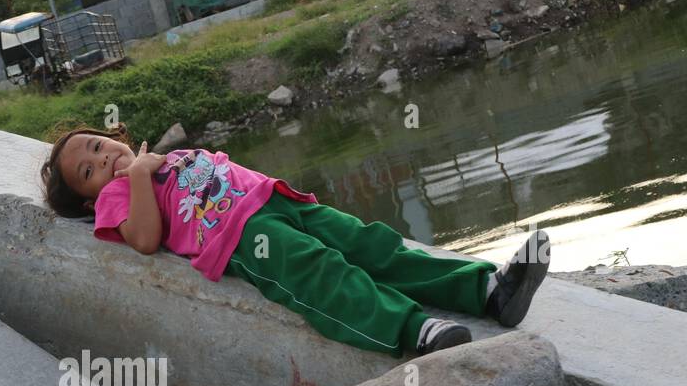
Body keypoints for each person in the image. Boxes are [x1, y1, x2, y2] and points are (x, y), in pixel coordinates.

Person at [41, 125, 549, 357]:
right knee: (318, 272)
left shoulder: (154, 158)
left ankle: (487, 292)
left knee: (374, 245)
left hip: (278, 202)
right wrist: (137, 177)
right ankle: (411, 332)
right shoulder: (117, 195)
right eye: (88, 170)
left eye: (97, 145)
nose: (102, 159)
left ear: (112, 134)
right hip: (243, 237)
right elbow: (145, 239)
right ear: (90, 199)